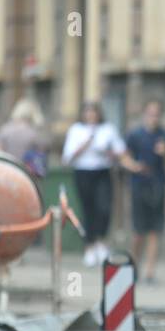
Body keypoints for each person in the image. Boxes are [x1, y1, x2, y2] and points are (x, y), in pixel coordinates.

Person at [62, 101, 126, 267]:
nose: (91, 116)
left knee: (104, 208)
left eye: (94, 112)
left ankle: (101, 242)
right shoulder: (76, 130)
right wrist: (84, 146)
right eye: (88, 112)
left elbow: (120, 150)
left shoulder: (107, 129)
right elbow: (67, 156)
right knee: (88, 209)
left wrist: (109, 152)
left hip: (102, 170)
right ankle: (89, 246)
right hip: (83, 171)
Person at [122, 99, 165, 284]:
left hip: (158, 185)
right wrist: (134, 166)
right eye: (151, 113)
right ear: (145, 114)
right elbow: (124, 157)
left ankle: (150, 272)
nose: (154, 117)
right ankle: (134, 266)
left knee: (155, 230)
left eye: (157, 114)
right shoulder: (135, 135)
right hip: (139, 185)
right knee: (139, 231)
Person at [0, 97, 49, 179]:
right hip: (27, 177)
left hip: (6, 174)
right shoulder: (34, 133)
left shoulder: (4, 130)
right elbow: (41, 157)